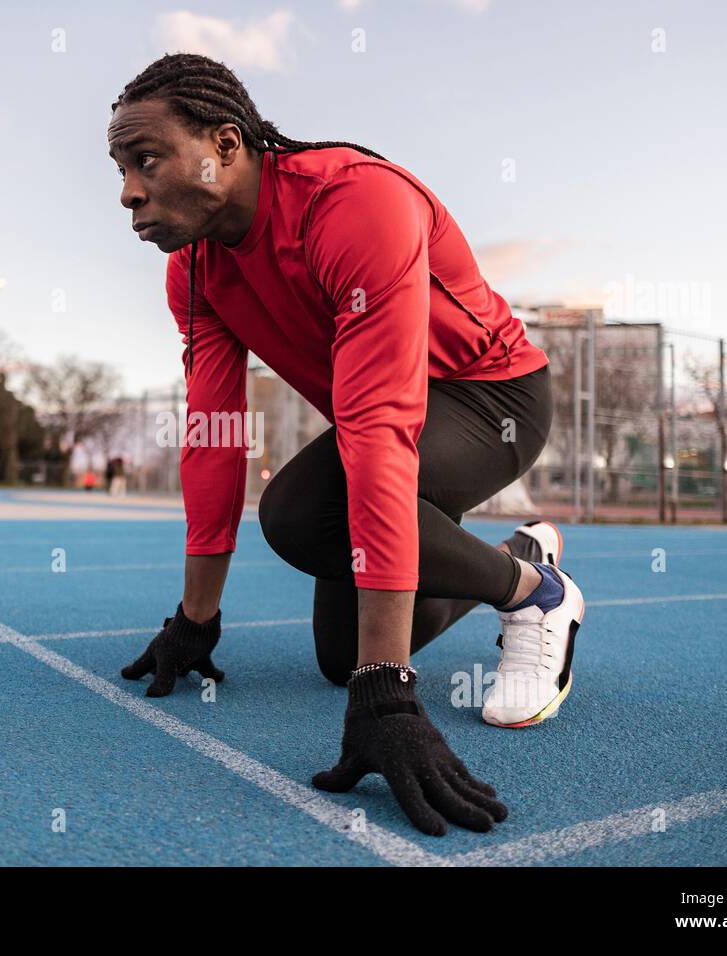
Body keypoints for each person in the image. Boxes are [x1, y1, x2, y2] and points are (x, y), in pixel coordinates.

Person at [109, 53, 585, 838]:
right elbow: (215, 439)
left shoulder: (355, 203)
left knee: (302, 513)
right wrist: (197, 620)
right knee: (339, 658)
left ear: (225, 144)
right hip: (391, 415)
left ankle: (537, 597)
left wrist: (388, 692)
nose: (128, 189)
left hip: (490, 397)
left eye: (147, 159)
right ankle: (516, 559)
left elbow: (379, 429)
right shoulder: (194, 273)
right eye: (122, 167)